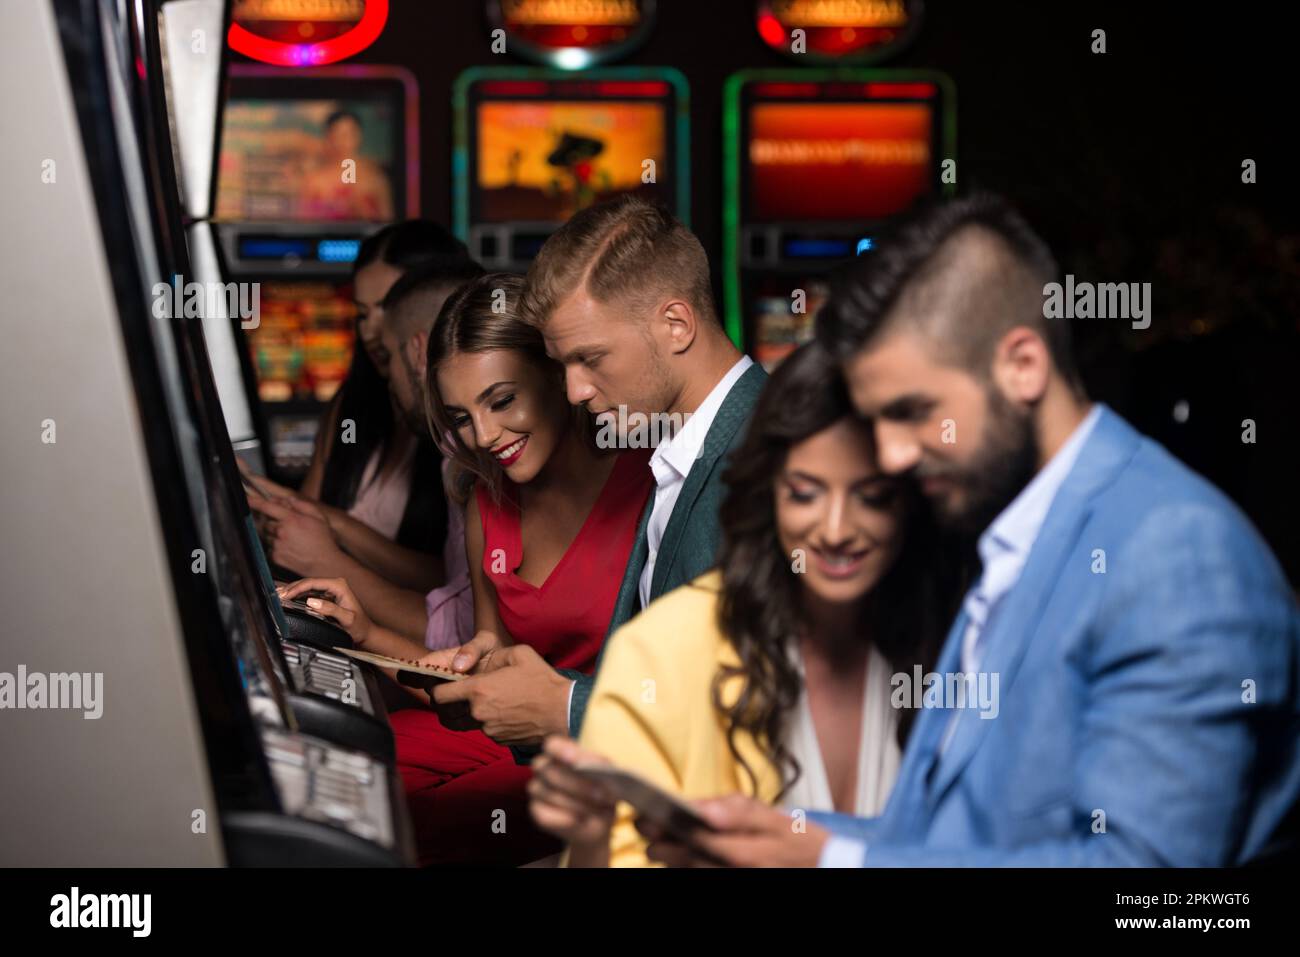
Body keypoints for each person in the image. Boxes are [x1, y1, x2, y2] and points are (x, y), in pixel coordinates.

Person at [635, 191, 1300, 867]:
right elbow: (959, 838)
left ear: (1023, 366)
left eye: (914, 411)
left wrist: (834, 861)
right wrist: (782, 838)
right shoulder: (1009, 531)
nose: (891, 454)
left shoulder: (1173, 550)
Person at [526, 342, 971, 866]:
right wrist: (595, 836)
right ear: (769, 493)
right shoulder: (665, 651)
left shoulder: (967, 639)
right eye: (805, 493)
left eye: (872, 497)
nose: (835, 531)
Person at [420, 195, 769, 752]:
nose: (576, 391)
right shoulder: (675, 454)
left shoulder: (770, 458)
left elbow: (758, 704)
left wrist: (563, 707)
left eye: (591, 358)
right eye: (563, 366)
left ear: (676, 324)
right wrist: (532, 694)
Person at [389, 273, 655, 866]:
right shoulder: (488, 496)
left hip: (596, 745)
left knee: (422, 819)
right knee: (367, 760)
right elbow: (493, 649)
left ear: (558, 376)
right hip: (515, 735)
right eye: (460, 416)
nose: (483, 436)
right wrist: (368, 637)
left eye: (502, 400)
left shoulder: (649, 479)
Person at [247, 221, 472, 642]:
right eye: (362, 313)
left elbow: (456, 616)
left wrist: (329, 545)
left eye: (388, 307)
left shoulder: (468, 440)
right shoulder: (354, 406)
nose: (371, 331)